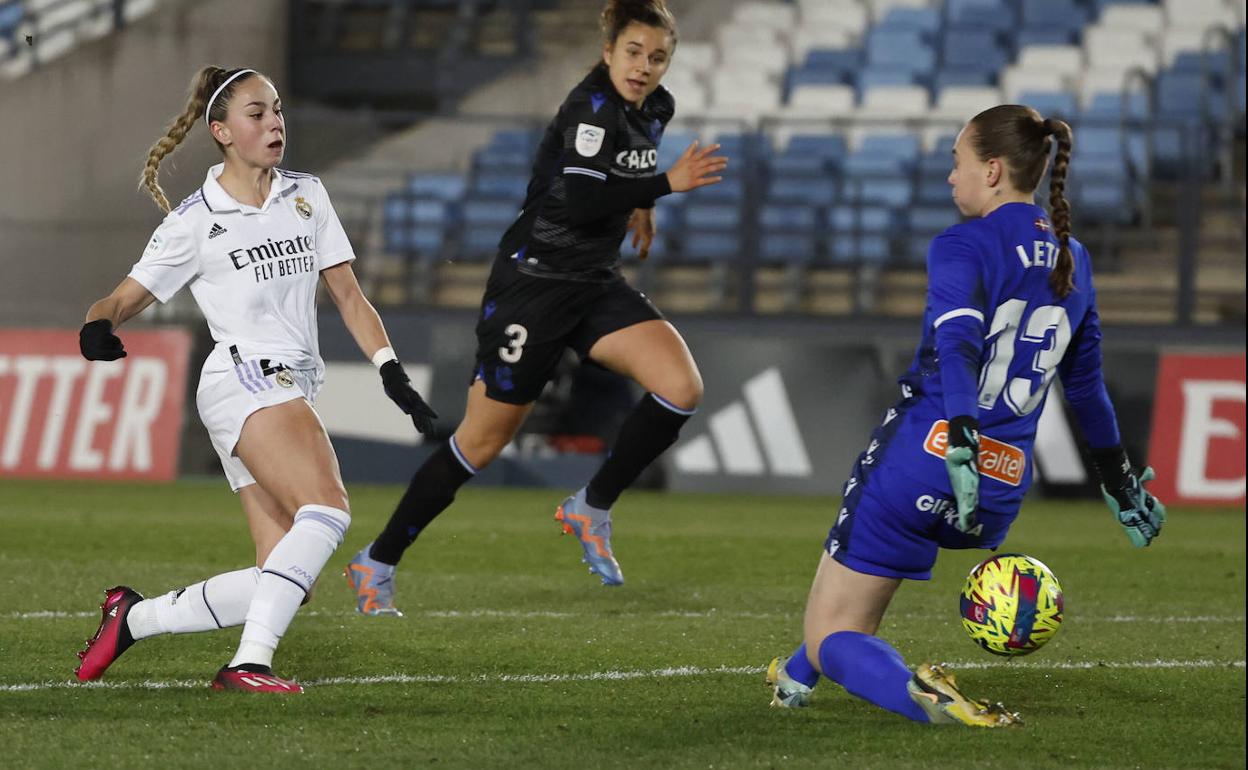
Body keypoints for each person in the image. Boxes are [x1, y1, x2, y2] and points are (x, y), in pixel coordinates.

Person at [763, 105, 1168, 726]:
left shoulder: (963, 244)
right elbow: (1085, 389)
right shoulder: (1074, 257)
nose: (951, 178)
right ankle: (794, 676)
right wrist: (1118, 479)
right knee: (847, 615)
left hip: (929, 461)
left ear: (994, 169)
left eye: (958, 163)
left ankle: (927, 700)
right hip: (999, 489)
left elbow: (958, 348)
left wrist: (957, 439)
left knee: (830, 634)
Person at [345, 0, 727, 613]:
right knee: (481, 442)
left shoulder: (656, 107)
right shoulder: (590, 108)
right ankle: (377, 561)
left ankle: (591, 505)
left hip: (595, 282)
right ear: (608, 52)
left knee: (681, 387)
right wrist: (663, 186)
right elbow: (579, 202)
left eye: (657, 57)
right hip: (534, 285)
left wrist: (643, 206)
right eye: (633, 52)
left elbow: (623, 170)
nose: (645, 67)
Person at [73, 66, 436, 692]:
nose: (274, 124)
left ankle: (133, 618)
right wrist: (96, 327)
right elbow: (120, 299)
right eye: (257, 113)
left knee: (286, 578)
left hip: (285, 383)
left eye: (278, 111)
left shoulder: (306, 194)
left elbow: (348, 295)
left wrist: (390, 370)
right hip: (244, 375)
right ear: (221, 131)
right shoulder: (195, 220)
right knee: (326, 509)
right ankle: (249, 665)